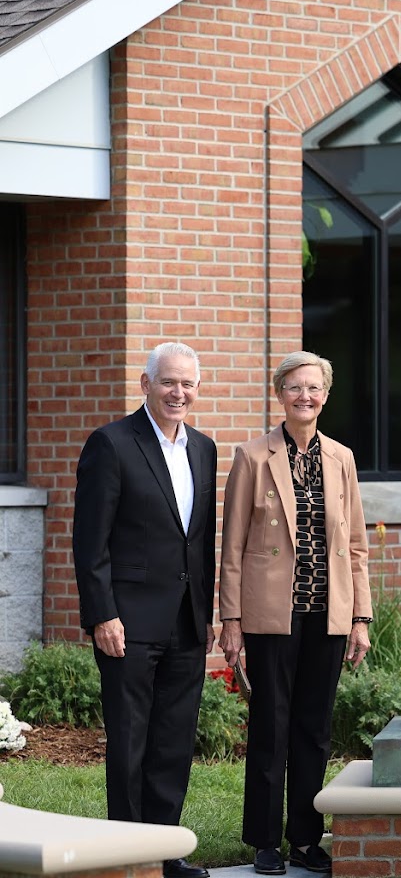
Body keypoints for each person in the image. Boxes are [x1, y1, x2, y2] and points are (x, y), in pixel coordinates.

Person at [218, 352, 372, 876]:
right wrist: (231, 619)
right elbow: (232, 544)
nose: (304, 396)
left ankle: (306, 839)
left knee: (314, 730)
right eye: (294, 387)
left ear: (325, 396)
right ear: (279, 394)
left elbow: (356, 546)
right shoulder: (252, 456)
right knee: (271, 726)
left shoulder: (342, 458)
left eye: (313, 388)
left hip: (328, 614)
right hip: (270, 616)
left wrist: (360, 618)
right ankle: (264, 841)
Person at [72, 342, 217, 878]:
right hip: (127, 621)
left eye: (188, 384)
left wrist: (206, 613)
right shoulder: (111, 444)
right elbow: (90, 541)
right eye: (168, 382)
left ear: (198, 389)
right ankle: (128, 856)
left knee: (173, 742)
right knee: (130, 741)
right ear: (146, 384)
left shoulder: (204, 449)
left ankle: (164, 850)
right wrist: (102, 614)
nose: (178, 393)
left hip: (186, 620)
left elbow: (199, 540)